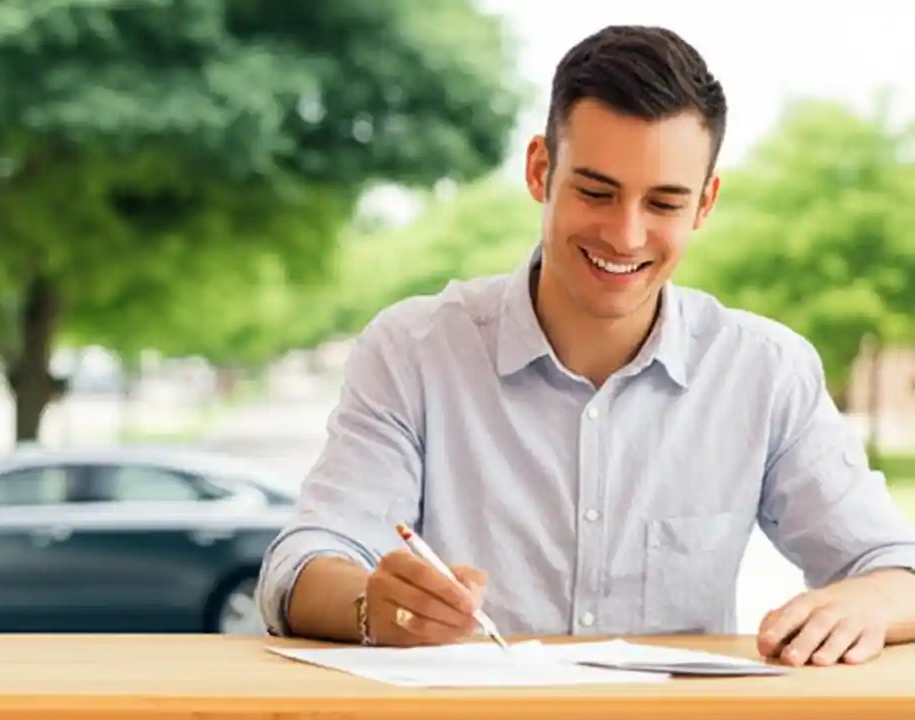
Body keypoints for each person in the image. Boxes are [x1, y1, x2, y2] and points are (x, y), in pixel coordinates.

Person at [255, 24, 915, 667]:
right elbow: (302, 564)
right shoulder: (414, 351)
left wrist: (864, 602)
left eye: (663, 204)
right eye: (597, 192)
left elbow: (895, 568)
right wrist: (371, 606)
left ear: (705, 204)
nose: (625, 236)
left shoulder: (765, 371)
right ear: (540, 170)